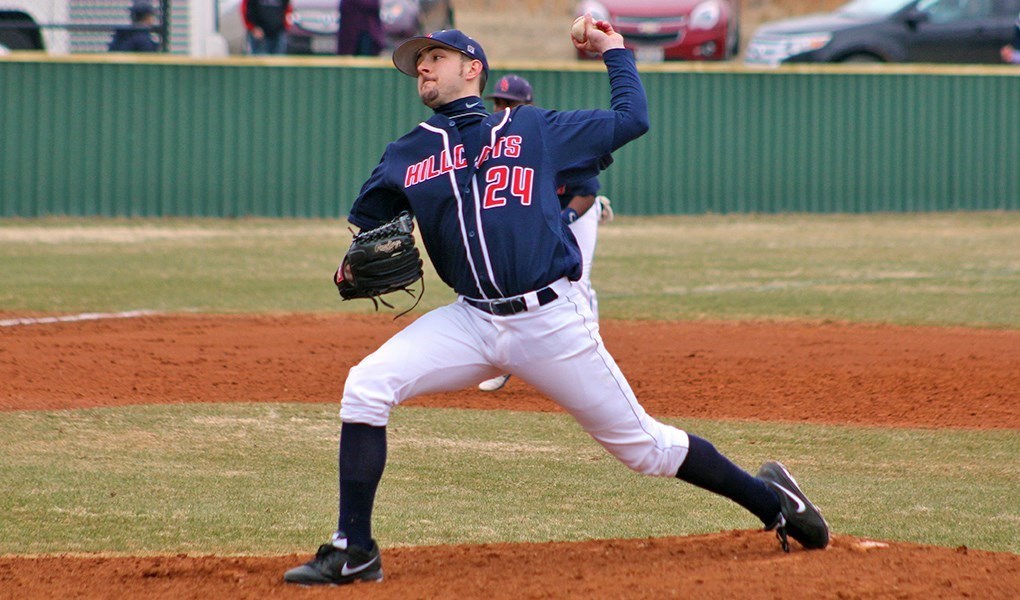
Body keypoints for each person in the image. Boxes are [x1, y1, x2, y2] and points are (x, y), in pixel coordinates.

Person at [283, 20, 830, 587]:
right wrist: (355, 257)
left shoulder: (532, 129)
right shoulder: (408, 150)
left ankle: (775, 503)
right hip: (470, 319)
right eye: (416, 60)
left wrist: (614, 52)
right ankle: (355, 549)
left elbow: (631, 120)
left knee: (644, 449)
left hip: (549, 320)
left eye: (435, 57)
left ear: (473, 69)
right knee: (367, 386)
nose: (421, 66)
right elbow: (370, 222)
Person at [477, 73, 614, 393]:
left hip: (575, 211)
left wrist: (563, 218)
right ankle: (506, 360)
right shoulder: (489, 140)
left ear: (528, 105)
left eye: (509, 103)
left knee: (577, 282)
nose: (501, 108)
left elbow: (586, 191)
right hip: (537, 216)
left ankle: (591, 362)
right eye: (497, 101)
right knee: (505, 280)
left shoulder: (549, 137)